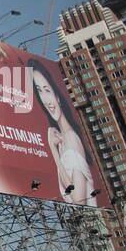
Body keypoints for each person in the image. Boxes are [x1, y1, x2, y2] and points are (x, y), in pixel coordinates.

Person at [29, 59, 98, 207]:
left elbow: (78, 199)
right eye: (39, 91)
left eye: (47, 90)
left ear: (58, 97)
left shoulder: (71, 139)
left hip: (94, 221)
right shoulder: (62, 137)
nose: (46, 100)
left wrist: (52, 149)